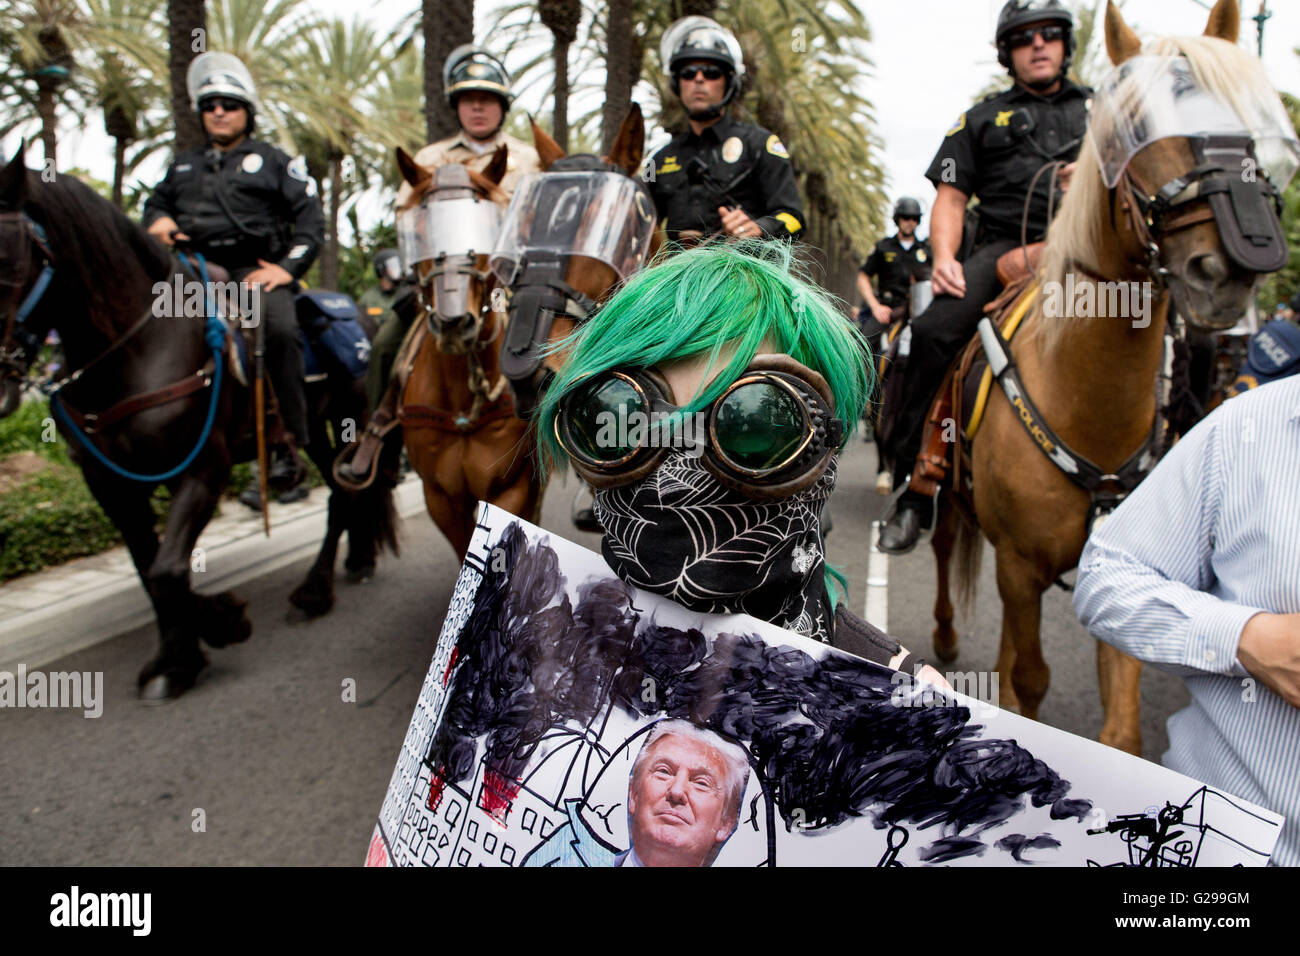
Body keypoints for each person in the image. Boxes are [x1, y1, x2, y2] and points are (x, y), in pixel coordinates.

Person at [535, 240, 946, 677]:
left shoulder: (907, 708)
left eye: (754, 429)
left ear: (825, 445)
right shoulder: (511, 649)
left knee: (935, 339)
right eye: (618, 418)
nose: (677, 465)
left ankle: (920, 487)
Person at [876, 0, 1089, 554]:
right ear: (1007, 52)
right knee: (931, 331)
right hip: (1002, 251)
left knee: (1171, 329)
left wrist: (1093, 178)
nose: (1037, 45)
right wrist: (945, 258)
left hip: (1089, 251)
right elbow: (950, 198)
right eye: (1023, 38)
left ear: (1065, 43)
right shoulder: (978, 118)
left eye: (1048, 34)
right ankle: (915, 487)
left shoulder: (1105, 110)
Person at [1073, 376, 1300, 866]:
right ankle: (926, 473)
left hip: (1179, 307)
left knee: (1195, 357)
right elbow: (1105, 573)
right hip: (1232, 851)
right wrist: (1251, 639)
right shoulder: (1249, 427)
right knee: (938, 332)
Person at [142, 51, 324, 490]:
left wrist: (285, 270)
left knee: (278, 330)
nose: (219, 112)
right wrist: (158, 221)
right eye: (209, 106)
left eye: (229, 104)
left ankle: (287, 442)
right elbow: (155, 203)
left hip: (253, 274)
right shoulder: (182, 164)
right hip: (191, 274)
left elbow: (310, 220)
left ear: (248, 112)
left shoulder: (277, 161)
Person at [645, 16, 804, 245]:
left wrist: (758, 228)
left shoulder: (760, 144)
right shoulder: (658, 160)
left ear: (728, 82)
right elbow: (640, 224)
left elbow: (794, 219)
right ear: (676, 84)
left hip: (748, 273)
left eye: (711, 72)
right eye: (688, 74)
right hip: (677, 276)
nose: (699, 79)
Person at [522, 720, 750, 867]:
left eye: (701, 782)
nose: (677, 791)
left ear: (726, 822)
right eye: (664, 771)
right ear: (633, 794)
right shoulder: (557, 860)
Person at [397, 45, 540, 210]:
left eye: (486, 99)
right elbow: (404, 213)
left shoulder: (529, 160)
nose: (477, 107)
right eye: (468, 100)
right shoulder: (428, 159)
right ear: (456, 108)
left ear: (503, 107)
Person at [857, 197, 931, 339]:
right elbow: (863, 277)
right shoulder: (883, 247)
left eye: (915, 218)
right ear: (897, 219)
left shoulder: (927, 251)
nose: (910, 222)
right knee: (863, 344)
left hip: (918, 311)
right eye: (906, 217)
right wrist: (876, 307)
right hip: (887, 310)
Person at [359, 248, 409, 411]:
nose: (399, 269)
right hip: (374, 349)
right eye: (393, 265)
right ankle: (375, 411)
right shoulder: (369, 298)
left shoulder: (404, 293)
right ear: (381, 269)